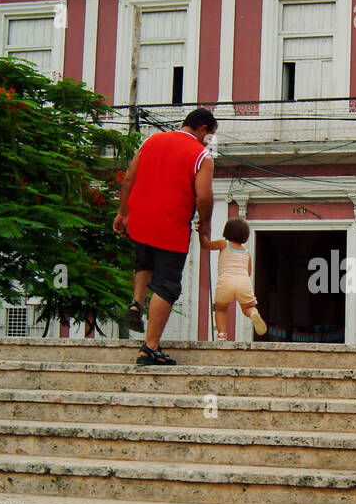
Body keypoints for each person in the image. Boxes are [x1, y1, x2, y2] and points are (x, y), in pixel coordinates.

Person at [112, 107, 217, 365]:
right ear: (202, 129)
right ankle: (150, 348)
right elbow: (203, 197)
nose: (209, 141)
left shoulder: (151, 141)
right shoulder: (202, 155)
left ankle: (136, 302)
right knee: (167, 285)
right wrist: (204, 225)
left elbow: (128, 179)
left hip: (140, 219)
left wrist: (121, 213)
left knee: (144, 263)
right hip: (171, 225)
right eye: (210, 135)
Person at [202, 217, 267, 340]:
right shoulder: (245, 251)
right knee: (248, 307)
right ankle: (254, 314)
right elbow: (248, 271)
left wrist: (202, 234)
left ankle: (222, 335)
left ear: (227, 231)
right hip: (243, 281)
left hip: (226, 280)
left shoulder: (223, 244)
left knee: (221, 309)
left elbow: (206, 245)